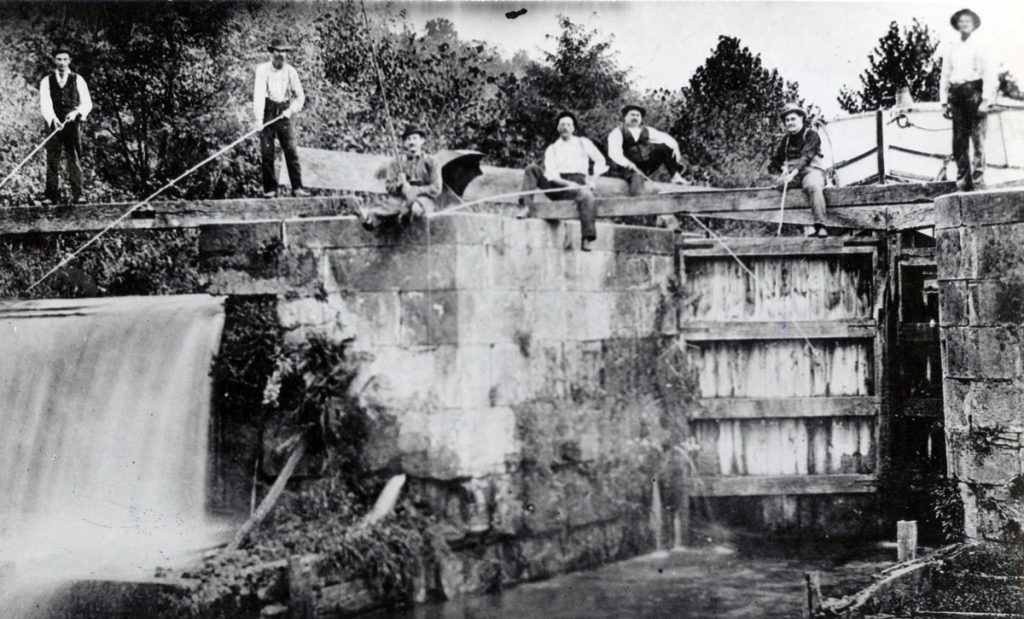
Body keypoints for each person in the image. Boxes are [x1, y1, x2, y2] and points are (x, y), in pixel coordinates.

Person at [517, 111, 608, 252]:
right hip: (557, 186)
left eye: (568, 124)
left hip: (578, 185)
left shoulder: (583, 143)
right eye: (562, 124)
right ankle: (526, 206)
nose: (565, 127)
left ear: (573, 128)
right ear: (558, 128)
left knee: (587, 196)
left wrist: (592, 179)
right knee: (532, 169)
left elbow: (600, 160)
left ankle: (587, 238)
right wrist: (568, 184)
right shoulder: (552, 148)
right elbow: (552, 175)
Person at [939, 8, 997, 191]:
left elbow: (990, 73)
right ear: (957, 24)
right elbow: (945, 74)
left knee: (978, 139)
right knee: (959, 141)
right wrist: (943, 102)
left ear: (973, 25)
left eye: (968, 21)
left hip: (975, 93)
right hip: (956, 95)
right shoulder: (951, 46)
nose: (964, 24)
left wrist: (986, 100)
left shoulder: (980, 45)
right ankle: (963, 181)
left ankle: (978, 180)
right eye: (961, 21)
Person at [356, 124, 441, 230]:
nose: (411, 142)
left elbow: (436, 188)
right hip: (402, 198)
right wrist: (399, 185)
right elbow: (389, 186)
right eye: (408, 139)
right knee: (388, 207)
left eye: (415, 138)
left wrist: (414, 190)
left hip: (424, 199)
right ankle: (369, 220)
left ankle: (405, 219)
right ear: (404, 143)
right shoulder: (396, 163)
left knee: (415, 208)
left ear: (422, 140)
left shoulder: (431, 162)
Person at [253, 38, 309, 198]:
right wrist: (259, 120)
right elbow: (258, 96)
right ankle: (270, 190)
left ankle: (297, 188)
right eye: (278, 51)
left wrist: (290, 110)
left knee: (291, 150)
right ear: (271, 53)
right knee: (267, 152)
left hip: (284, 111)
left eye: (284, 51)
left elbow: (300, 97)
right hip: (268, 111)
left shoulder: (291, 71)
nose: (281, 55)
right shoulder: (262, 69)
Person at [39, 46, 93, 206]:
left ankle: (79, 195)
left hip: (72, 124)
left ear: (69, 61)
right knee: (52, 159)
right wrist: (53, 119)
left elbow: (87, 103)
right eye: (59, 59)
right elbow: (45, 104)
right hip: (54, 124)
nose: (62, 62)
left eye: (65, 59)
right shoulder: (46, 81)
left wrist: (76, 113)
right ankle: (50, 196)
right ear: (54, 61)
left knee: (73, 158)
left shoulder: (78, 79)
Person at [768, 103, 828, 237]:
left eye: (793, 119)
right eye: (787, 120)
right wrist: (781, 170)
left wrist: (793, 172)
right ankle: (779, 229)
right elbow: (774, 161)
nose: (790, 123)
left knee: (812, 185)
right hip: (793, 175)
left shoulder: (811, 135)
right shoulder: (786, 140)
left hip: (812, 170)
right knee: (777, 187)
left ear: (801, 118)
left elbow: (806, 157)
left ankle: (821, 225)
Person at [606, 104, 687, 195]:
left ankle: (675, 176)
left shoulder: (647, 130)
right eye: (632, 115)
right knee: (637, 183)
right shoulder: (617, 132)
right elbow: (614, 153)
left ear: (641, 118)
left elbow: (666, 139)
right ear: (625, 117)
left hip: (644, 165)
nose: (635, 117)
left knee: (663, 147)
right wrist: (627, 164)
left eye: (638, 115)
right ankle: (637, 200)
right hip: (625, 167)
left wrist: (676, 148)